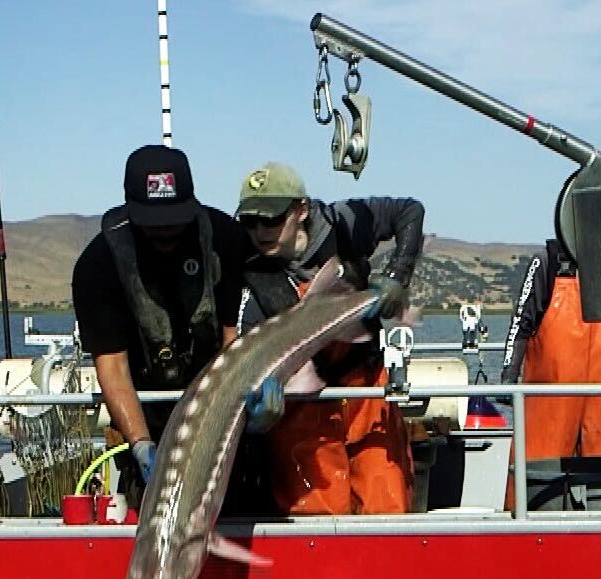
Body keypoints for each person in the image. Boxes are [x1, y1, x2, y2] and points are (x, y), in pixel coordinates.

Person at [233, 161, 424, 515]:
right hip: (303, 413)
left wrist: (398, 275)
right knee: (318, 522)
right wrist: (258, 416)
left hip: (365, 393)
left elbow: (410, 211)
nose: (260, 231)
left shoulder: (342, 223)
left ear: (301, 210)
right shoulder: (253, 280)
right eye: (249, 221)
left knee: (386, 504)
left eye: (272, 219)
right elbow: (246, 360)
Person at [70, 144, 256, 497]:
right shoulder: (97, 266)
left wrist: (235, 409)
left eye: (175, 222)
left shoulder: (226, 238)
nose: (166, 234)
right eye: (155, 226)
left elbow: (235, 336)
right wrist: (140, 444)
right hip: (149, 416)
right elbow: (112, 367)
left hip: (221, 417)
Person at [498, 239, 601, 460]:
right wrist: (509, 376)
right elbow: (520, 325)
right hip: (549, 402)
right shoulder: (546, 263)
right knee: (536, 475)